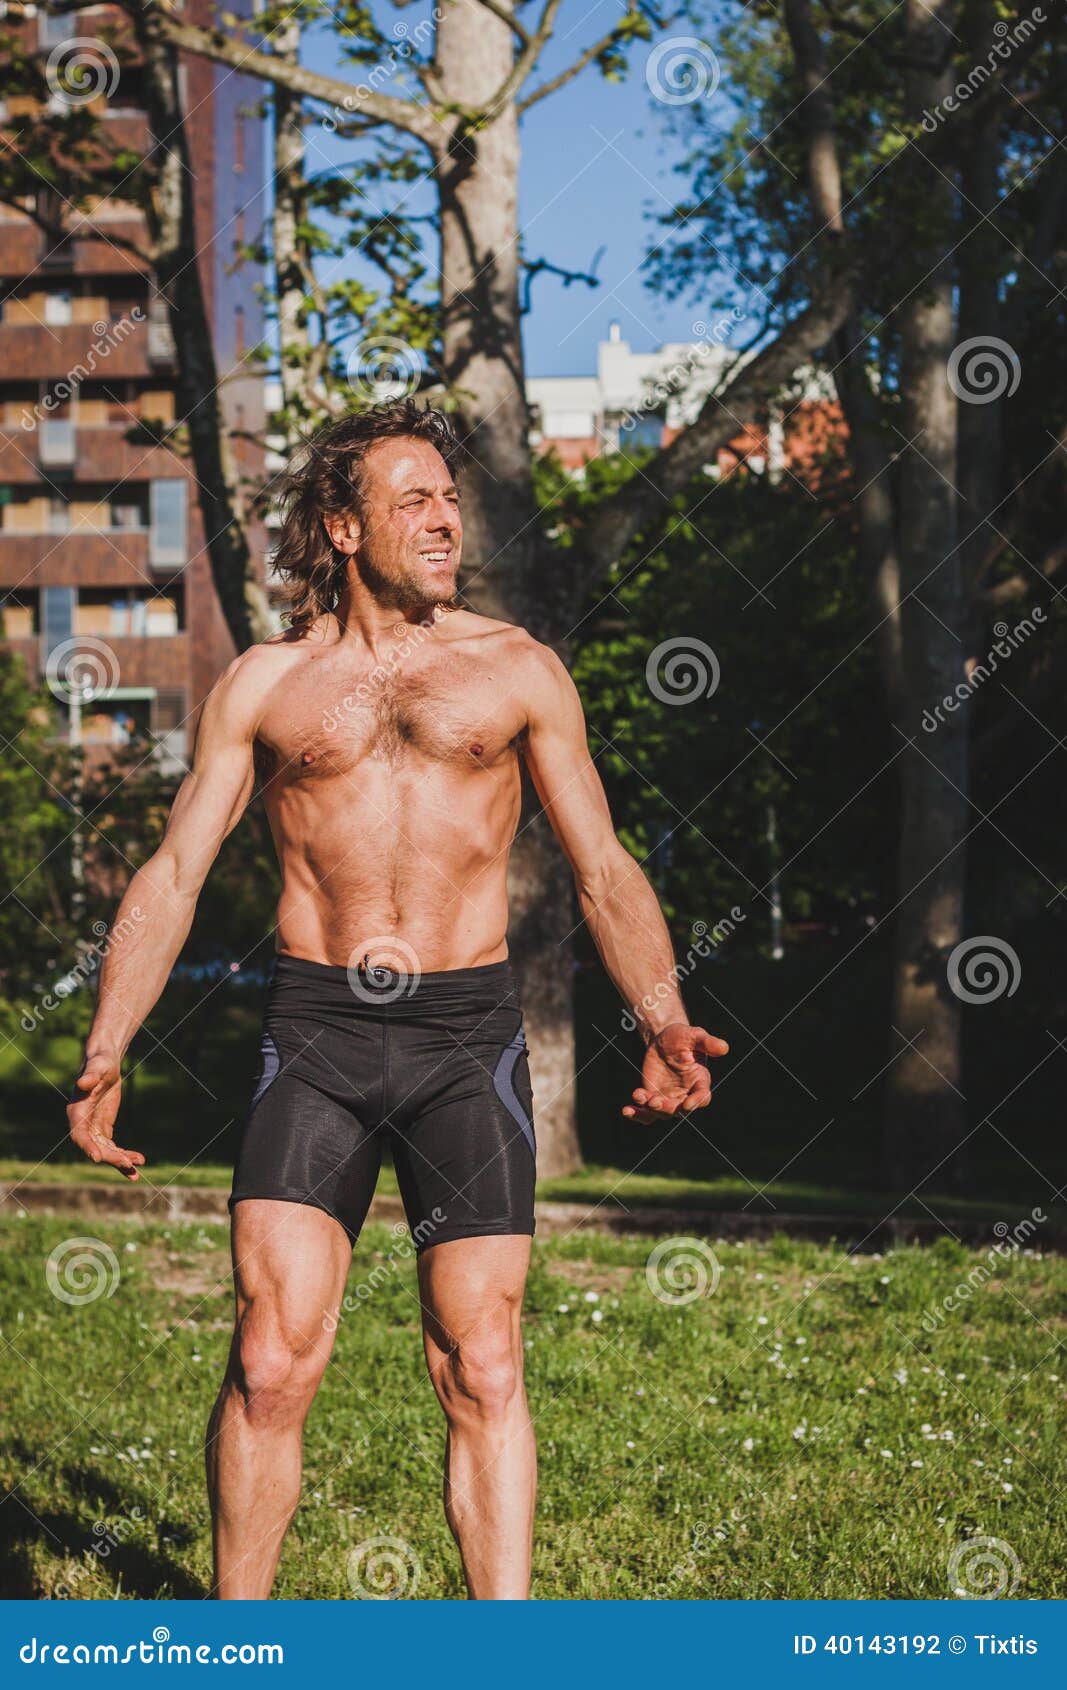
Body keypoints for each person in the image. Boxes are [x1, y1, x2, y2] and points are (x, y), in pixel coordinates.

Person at [67, 398, 728, 1600]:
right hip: (316, 1036)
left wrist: (659, 1014)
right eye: (411, 498)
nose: (442, 516)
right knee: (271, 1359)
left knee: (479, 1363)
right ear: (342, 523)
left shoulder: (517, 668)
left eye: (448, 496)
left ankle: (499, 1652)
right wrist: (107, 1042)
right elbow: (172, 872)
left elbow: (602, 866)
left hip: (464, 1040)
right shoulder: (266, 685)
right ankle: (235, 1643)